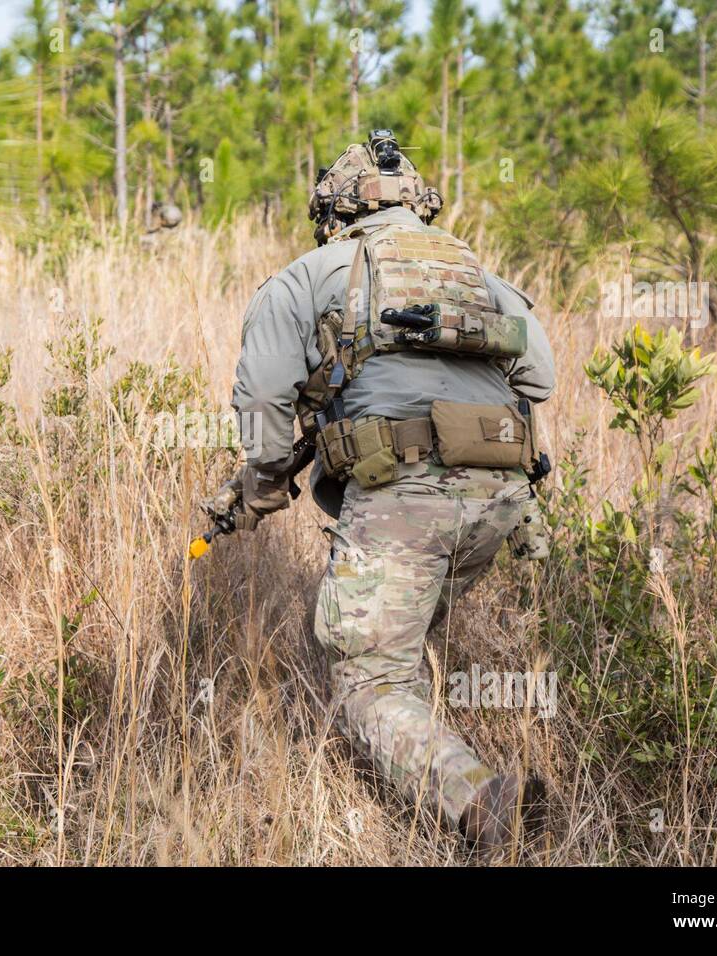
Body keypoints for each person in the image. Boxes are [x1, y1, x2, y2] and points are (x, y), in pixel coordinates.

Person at [205, 130, 556, 852]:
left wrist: (264, 487)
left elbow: (264, 403)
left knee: (367, 679)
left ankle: (481, 801)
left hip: (406, 492)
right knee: (403, 636)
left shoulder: (305, 277)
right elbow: (539, 379)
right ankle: (427, 787)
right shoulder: (474, 274)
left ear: (334, 213)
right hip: (501, 496)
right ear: (417, 209)